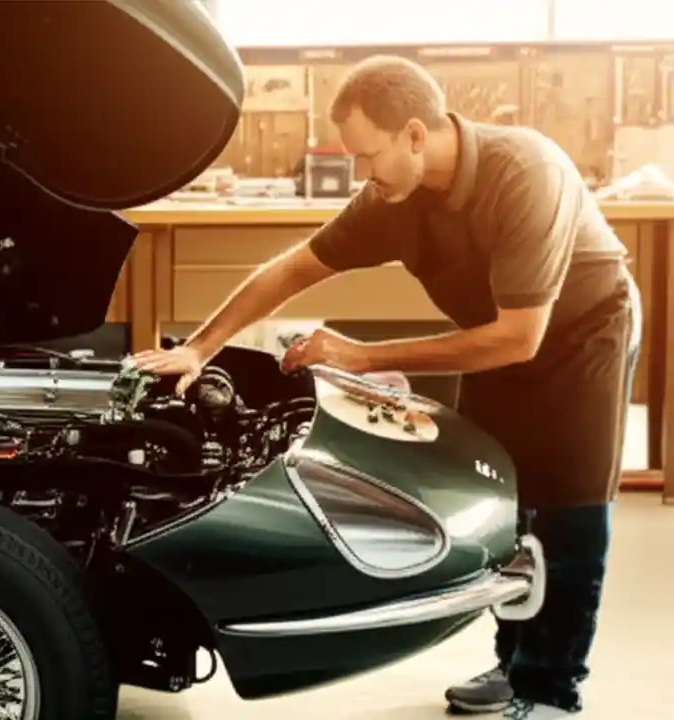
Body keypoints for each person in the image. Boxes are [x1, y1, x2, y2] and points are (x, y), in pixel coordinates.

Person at [131, 55, 641, 719]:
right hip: (499, 331)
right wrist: (198, 346)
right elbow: (290, 272)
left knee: (567, 508)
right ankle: (515, 665)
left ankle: (553, 690)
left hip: (583, 332)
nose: (359, 174)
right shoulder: (391, 199)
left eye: (367, 155)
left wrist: (365, 358)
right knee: (507, 500)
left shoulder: (525, 173)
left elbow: (521, 339)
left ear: (416, 136)